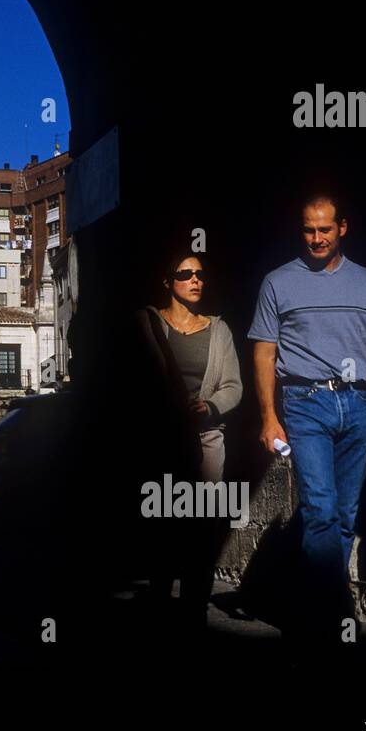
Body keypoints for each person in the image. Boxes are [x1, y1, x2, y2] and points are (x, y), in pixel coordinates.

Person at [248, 192, 366, 644]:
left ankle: (318, 602)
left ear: (342, 228)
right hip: (305, 403)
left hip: (358, 404)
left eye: (325, 229)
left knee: (346, 515)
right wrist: (269, 417)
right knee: (321, 510)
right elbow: (264, 351)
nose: (316, 238)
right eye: (308, 229)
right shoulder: (278, 283)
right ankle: (327, 613)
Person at [135, 252, 242, 628]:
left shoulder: (219, 330)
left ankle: (195, 612)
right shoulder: (148, 323)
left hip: (206, 438)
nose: (195, 280)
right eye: (185, 273)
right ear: (168, 281)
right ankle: (161, 608)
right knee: (164, 522)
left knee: (203, 523)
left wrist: (210, 407)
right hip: (161, 439)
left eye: (200, 274)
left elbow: (233, 386)